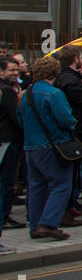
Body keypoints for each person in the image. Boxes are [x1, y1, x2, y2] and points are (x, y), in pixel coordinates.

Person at [19, 55, 77, 241]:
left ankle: (35, 226)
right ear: (55, 72)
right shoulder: (54, 93)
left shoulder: (26, 93)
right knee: (60, 185)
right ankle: (49, 223)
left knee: (36, 187)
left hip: (30, 146)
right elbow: (66, 119)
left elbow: (21, 119)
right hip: (53, 145)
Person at [53, 47, 82, 226]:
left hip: (76, 129)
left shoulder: (70, 77)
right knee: (71, 172)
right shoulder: (68, 79)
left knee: (74, 172)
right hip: (74, 131)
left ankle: (71, 205)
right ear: (76, 58)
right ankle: (66, 210)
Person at [0, 56, 22, 246]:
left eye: (16, 70)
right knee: (5, 184)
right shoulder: (6, 92)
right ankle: (4, 217)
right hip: (7, 141)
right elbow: (16, 117)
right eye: (11, 70)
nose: (16, 73)